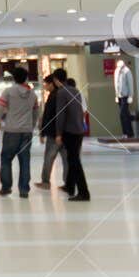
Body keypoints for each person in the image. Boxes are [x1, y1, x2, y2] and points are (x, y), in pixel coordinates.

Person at [0, 67, 39, 198]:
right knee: (25, 160)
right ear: (26, 78)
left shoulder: (8, 92)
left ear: (14, 78)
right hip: (26, 131)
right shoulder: (33, 94)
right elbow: (36, 113)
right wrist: (32, 126)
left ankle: (6, 187)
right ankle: (24, 190)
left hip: (11, 131)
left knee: (6, 159)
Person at [50, 69, 91, 201]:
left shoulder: (61, 93)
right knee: (72, 159)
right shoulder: (75, 90)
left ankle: (84, 192)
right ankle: (69, 186)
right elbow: (79, 111)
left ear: (56, 80)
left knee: (74, 162)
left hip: (69, 131)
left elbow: (60, 114)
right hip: (78, 130)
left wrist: (58, 133)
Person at [35, 73, 66, 191]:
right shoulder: (63, 94)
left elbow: (48, 116)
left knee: (49, 157)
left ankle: (45, 181)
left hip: (54, 133)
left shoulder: (53, 97)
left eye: (46, 84)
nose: (45, 87)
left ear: (52, 84)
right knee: (65, 159)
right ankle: (67, 182)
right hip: (64, 133)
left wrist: (43, 131)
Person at [114, 58, 136, 139]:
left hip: (125, 96)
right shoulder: (116, 71)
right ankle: (128, 133)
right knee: (124, 115)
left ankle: (128, 133)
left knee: (123, 114)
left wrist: (131, 95)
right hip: (119, 96)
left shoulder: (127, 71)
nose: (119, 68)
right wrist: (116, 95)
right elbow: (116, 83)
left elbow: (130, 84)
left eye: (121, 66)